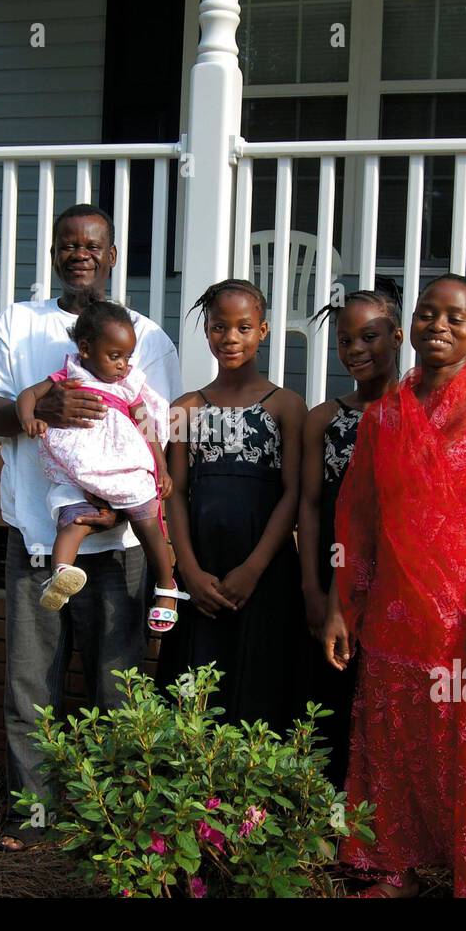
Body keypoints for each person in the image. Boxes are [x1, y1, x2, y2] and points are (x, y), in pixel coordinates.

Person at [323, 273, 466, 897]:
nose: (440, 327)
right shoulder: (385, 416)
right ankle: (392, 869)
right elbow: (358, 520)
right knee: (394, 753)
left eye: (455, 317)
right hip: (397, 621)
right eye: (428, 314)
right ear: (411, 327)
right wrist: (344, 607)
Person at [0, 204, 182, 852]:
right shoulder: (19, 323)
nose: (79, 254)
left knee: (116, 685)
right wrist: (40, 402)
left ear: (113, 255)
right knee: (32, 684)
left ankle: (113, 818)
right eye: (67, 245)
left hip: (120, 548)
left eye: (93, 245)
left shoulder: (146, 337)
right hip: (39, 537)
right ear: (54, 252)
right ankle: (33, 812)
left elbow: (157, 429)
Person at [156, 279, 307, 727]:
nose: (230, 338)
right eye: (220, 327)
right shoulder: (185, 408)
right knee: (194, 686)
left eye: (244, 327)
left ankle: (255, 797)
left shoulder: (286, 406)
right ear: (207, 332)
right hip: (203, 573)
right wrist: (189, 570)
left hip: (266, 571)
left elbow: (295, 494)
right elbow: (175, 495)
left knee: (263, 681)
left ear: (263, 331)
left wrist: (254, 569)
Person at [16, 300, 183, 629]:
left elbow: (147, 424)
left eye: (127, 357)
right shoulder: (68, 375)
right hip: (77, 470)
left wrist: (161, 467)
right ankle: (61, 575)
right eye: (115, 356)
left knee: (147, 522)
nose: (123, 365)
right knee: (72, 521)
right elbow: (27, 396)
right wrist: (27, 419)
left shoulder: (127, 384)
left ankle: (166, 585)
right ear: (86, 349)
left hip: (124, 469)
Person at [297, 289, 403, 787]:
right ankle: (328, 819)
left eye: (369, 336)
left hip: (397, 582)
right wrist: (314, 593)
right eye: (344, 340)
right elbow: (311, 507)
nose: (356, 349)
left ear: (397, 337)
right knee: (332, 693)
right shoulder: (324, 418)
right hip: (333, 574)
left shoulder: (416, 415)